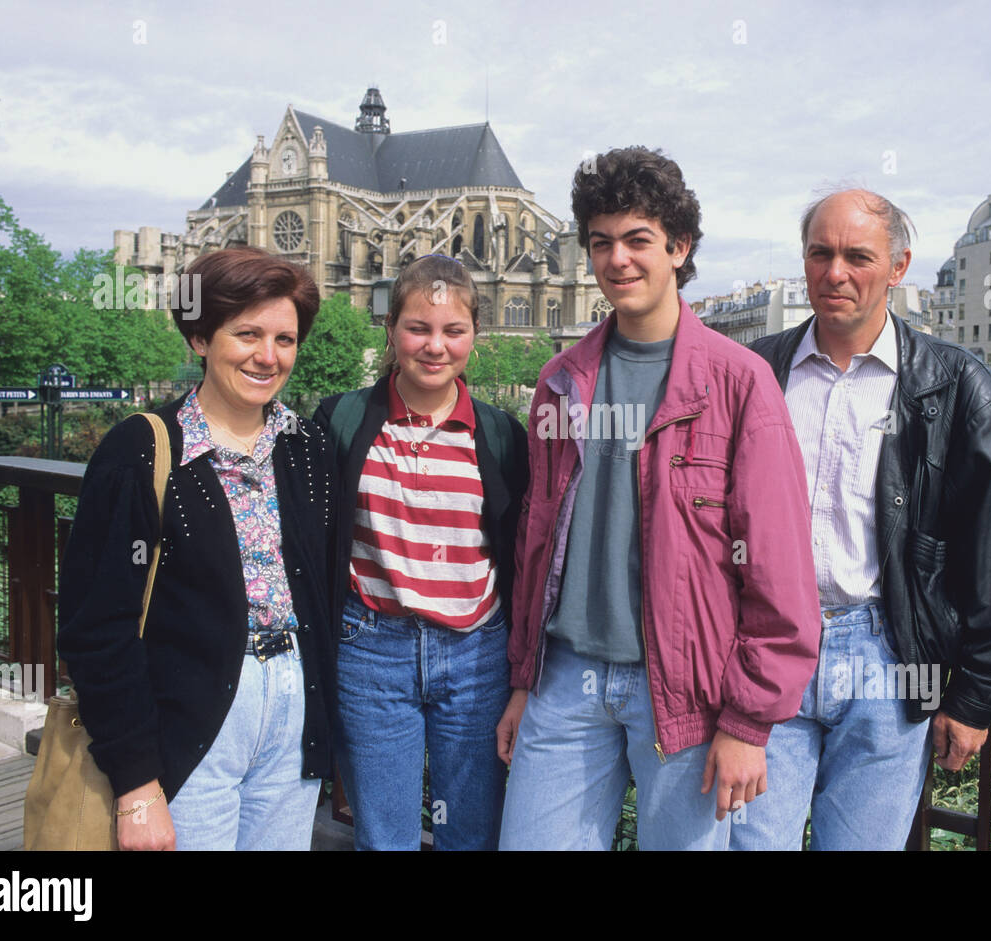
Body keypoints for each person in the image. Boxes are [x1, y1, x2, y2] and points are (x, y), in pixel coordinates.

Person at [496, 147, 820, 851]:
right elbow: (537, 543)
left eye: (638, 240)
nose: (618, 259)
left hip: (683, 688)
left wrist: (747, 721)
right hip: (565, 679)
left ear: (679, 247)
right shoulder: (560, 378)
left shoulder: (740, 382)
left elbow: (778, 565)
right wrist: (525, 680)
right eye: (601, 242)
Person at [731, 188, 991, 851]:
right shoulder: (755, 372)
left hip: (887, 657)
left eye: (857, 256)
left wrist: (976, 695)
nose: (835, 272)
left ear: (899, 267)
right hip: (769, 645)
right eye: (820, 252)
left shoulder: (957, 386)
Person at [58, 246, 334, 851]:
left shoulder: (304, 445)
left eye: (285, 339)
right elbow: (97, 627)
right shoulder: (140, 450)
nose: (269, 356)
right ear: (200, 339)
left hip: (292, 713)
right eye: (248, 334)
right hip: (190, 721)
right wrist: (136, 787)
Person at [314, 254, 528, 851]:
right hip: (371, 652)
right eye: (418, 328)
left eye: (453, 331)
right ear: (390, 331)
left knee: (471, 834)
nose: (435, 346)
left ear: (474, 338)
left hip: (476, 656)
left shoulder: (500, 434)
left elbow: (521, 552)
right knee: (384, 839)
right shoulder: (344, 420)